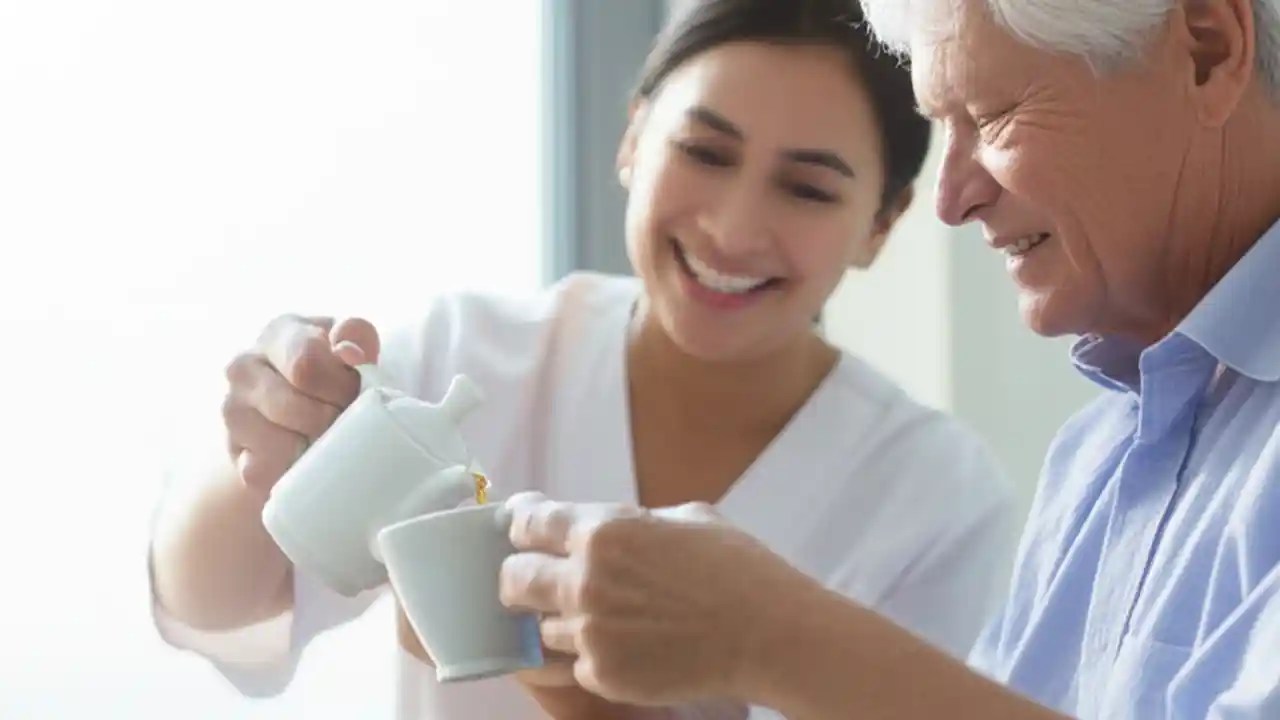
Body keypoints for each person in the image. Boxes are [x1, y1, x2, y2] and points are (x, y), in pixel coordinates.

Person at [147, 1, 1016, 718]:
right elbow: (211, 607)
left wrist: (558, 671)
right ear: (634, 140)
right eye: (704, 153)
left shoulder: (933, 496)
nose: (734, 229)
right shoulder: (472, 355)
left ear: (880, 225)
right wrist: (257, 453)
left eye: (807, 188)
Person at [495, 0, 1280, 718]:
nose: (952, 200)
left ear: (1208, 51)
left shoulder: (945, 488)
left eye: (996, 113)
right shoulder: (1103, 455)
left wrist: (772, 638)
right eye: (948, 126)